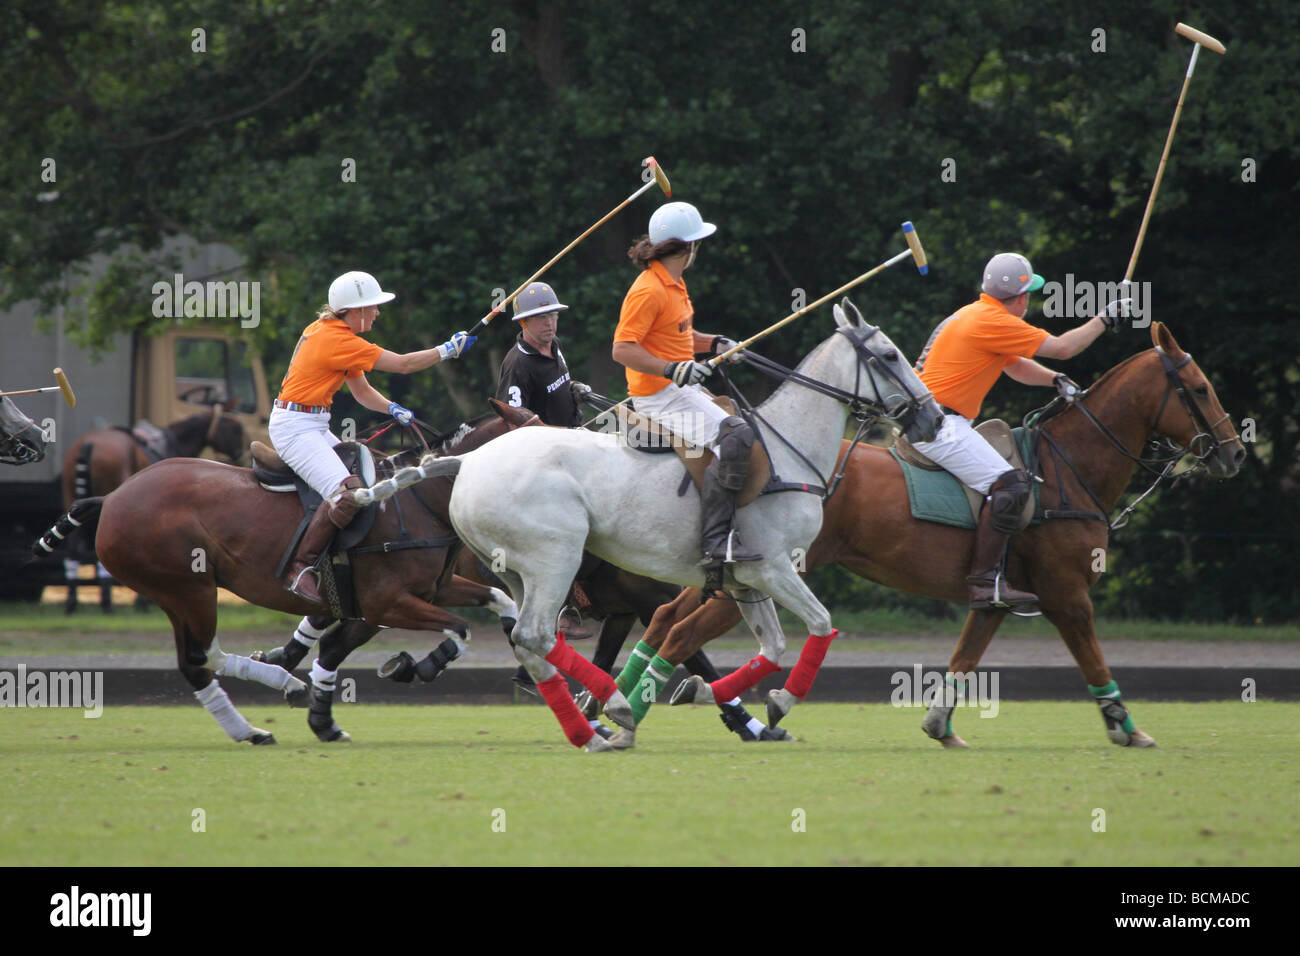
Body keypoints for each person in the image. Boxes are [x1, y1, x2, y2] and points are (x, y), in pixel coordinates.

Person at [911, 252, 1129, 610]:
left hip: (931, 418)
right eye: (1030, 293)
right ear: (1023, 296)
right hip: (938, 425)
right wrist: (1106, 317)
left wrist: (1054, 380)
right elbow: (1063, 347)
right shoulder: (995, 321)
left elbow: (1013, 366)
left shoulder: (975, 313)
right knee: (1011, 484)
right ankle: (985, 584)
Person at [271, 270, 476, 604]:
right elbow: (404, 364)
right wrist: (447, 350)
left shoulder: (334, 332)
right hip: (295, 427)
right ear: (355, 311)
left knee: (367, 482)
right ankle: (302, 567)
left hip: (314, 423)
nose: (378, 312)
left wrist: (393, 408)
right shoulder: (338, 339)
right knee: (347, 495)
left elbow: (362, 392)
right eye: (373, 307)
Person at [612, 200, 756, 567]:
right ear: (688, 247)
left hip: (677, 389)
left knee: (743, 423)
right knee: (735, 435)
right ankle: (716, 542)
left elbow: (678, 336)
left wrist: (715, 344)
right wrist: (672, 370)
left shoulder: (673, 282)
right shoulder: (649, 289)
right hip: (657, 396)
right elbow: (622, 349)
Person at [496, 281, 586, 427]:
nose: (549, 323)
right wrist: (563, 432)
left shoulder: (554, 343)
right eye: (540, 317)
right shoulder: (517, 365)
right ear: (522, 322)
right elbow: (513, 425)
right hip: (544, 448)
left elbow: (545, 388)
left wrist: (572, 387)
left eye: (552, 315)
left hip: (573, 435)